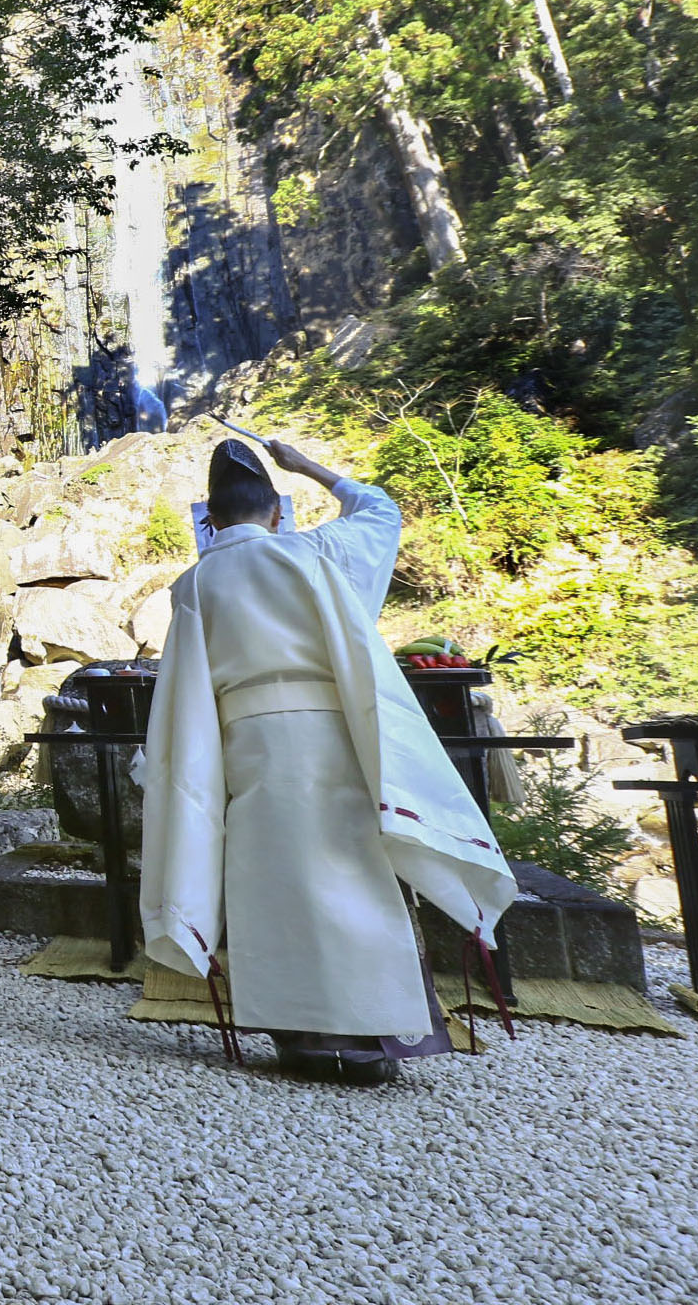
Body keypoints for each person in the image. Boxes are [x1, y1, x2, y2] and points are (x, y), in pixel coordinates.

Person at [141, 437, 518, 1085]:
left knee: (273, 883)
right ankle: (375, 1040)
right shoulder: (315, 551)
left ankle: (302, 1040)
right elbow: (381, 513)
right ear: (278, 513)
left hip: (249, 746)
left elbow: (186, 692)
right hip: (334, 739)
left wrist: (180, 770)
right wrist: (309, 467)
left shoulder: (196, 582)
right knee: (354, 876)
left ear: (210, 521)